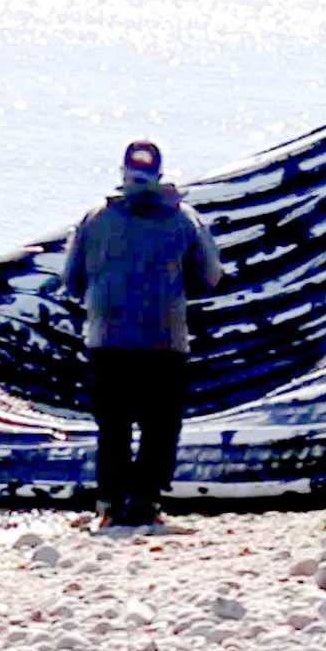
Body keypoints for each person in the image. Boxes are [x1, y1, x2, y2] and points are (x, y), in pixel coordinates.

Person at [62, 140, 223, 528]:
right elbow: (210, 276)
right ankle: (145, 503)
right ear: (160, 175)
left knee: (113, 427)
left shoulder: (95, 218)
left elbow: (70, 280)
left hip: (107, 339)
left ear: (122, 174)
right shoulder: (184, 218)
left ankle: (108, 506)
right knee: (160, 427)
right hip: (164, 340)